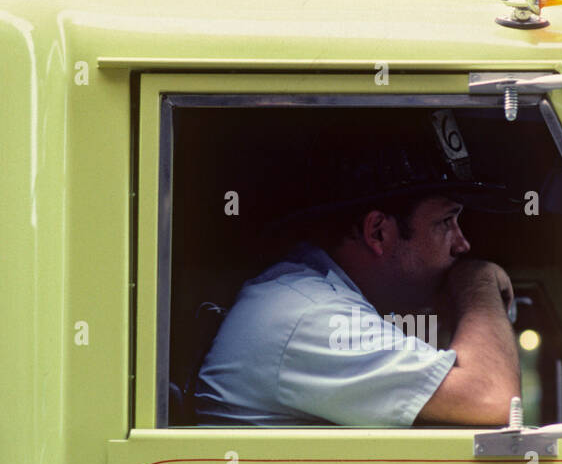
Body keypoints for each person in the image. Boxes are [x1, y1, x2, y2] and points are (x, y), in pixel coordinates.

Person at [194, 131, 521, 428]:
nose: (462, 244)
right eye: (446, 221)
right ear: (378, 231)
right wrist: (476, 282)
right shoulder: (311, 315)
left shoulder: (305, 298)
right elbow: (495, 401)